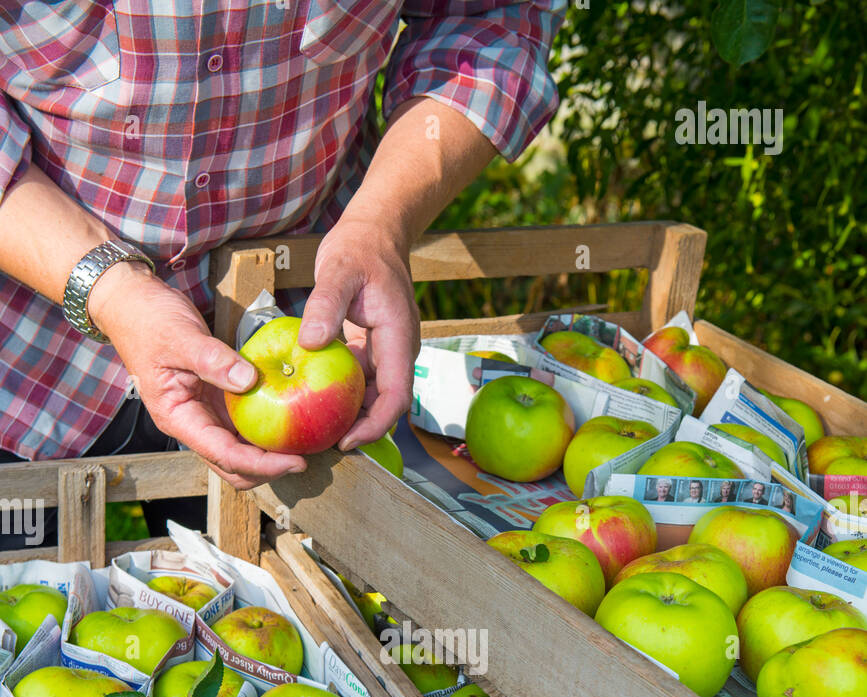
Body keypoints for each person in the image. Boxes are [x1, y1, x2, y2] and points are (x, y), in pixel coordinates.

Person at [0, 2, 566, 545]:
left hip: (299, 309)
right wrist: (113, 291)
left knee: (294, 608)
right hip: (27, 351)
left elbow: (490, 20)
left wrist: (381, 225)